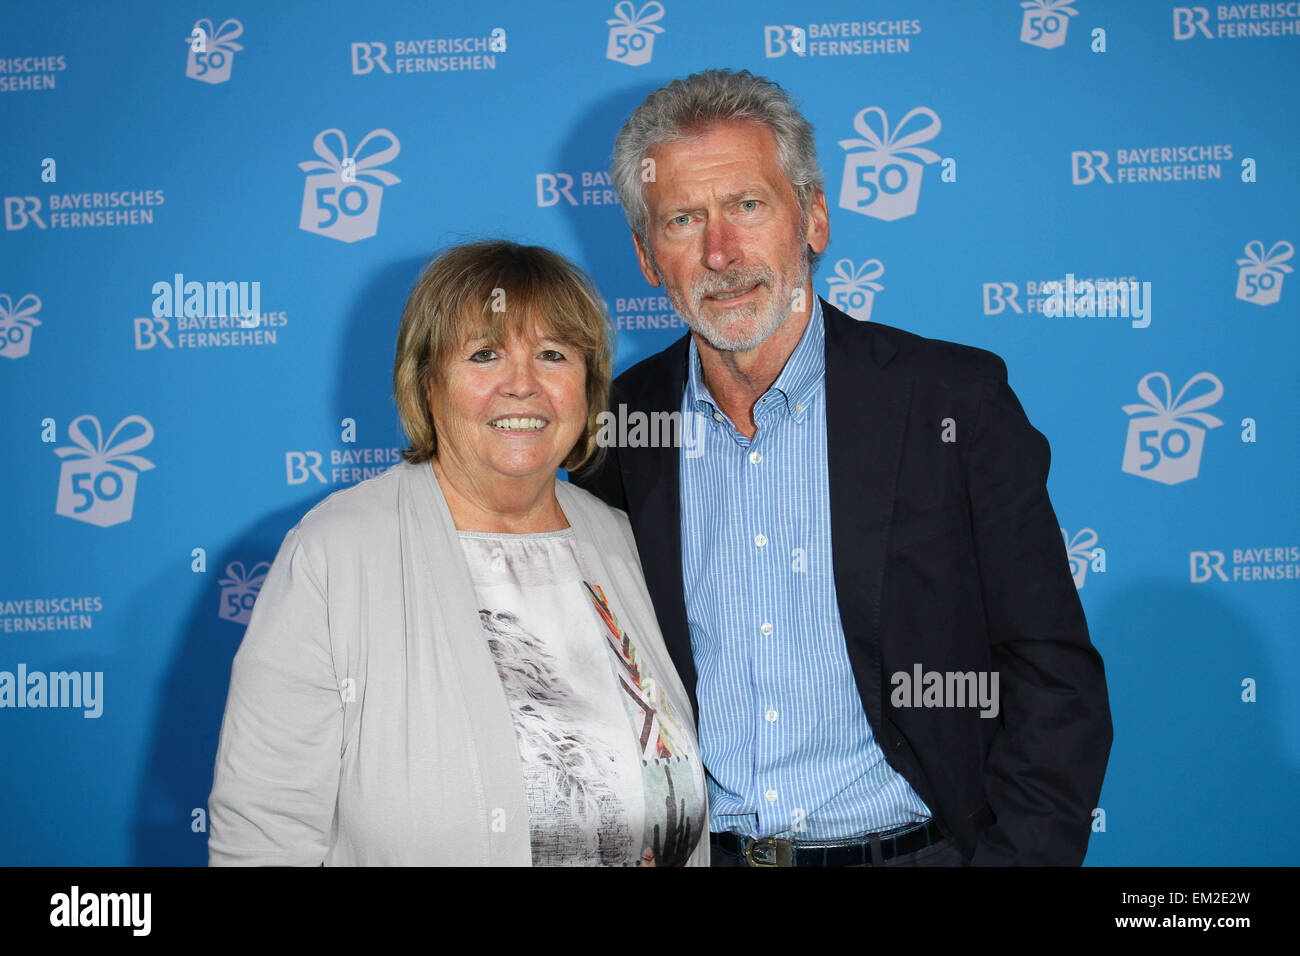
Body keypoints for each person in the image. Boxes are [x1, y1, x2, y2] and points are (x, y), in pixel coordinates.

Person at [572, 70, 1113, 866]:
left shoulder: (953, 400)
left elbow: (1051, 672)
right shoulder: (616, 428)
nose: (721, 252)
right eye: (683, 219)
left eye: (748, 206)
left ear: (814, 216)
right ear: (648, 257)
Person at [208, 240, 708, 866]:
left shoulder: (624, 543)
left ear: (587, 388)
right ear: (425, 381)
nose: (522, 385)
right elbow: (264, 835)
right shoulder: (335, 554)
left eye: (553, 355)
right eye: (484, 354)